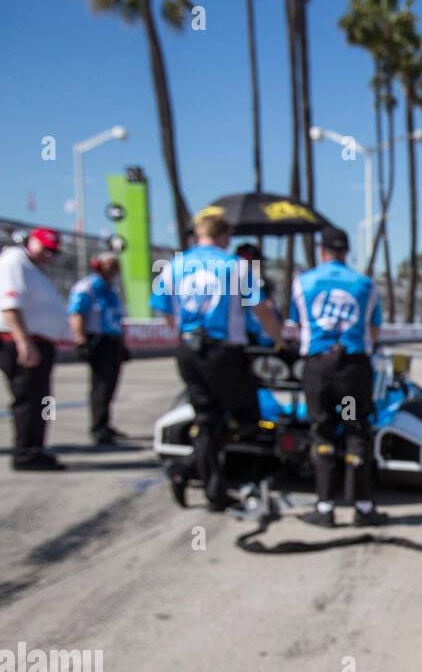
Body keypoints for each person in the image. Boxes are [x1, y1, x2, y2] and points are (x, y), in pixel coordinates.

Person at [152, 214, 283, 511]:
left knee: (208, 419)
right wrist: (279, 339)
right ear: (225, 235)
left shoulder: (174, 266)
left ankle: (201, 482)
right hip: (221, 352)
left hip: (188, 350)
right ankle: (192, 469)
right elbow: (261, 310)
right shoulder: (234, 266)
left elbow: (163, 308)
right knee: (249, 416)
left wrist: (183, 333)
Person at [289, 227, 384, 528]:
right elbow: (373, 330)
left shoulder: (303, 283)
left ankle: (325, 507)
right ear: (346, 252)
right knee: (355, 430)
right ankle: (364, 508)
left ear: (322, 250)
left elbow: (294, 326)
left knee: (323, 431)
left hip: (319, 369)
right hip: (352, 371)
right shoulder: (365, 285)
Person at [0, 227, 69, 470]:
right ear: (30, 242)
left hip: (39, 343)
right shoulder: (14, 261)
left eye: (54, 252)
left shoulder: (34, 269)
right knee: (30, 399)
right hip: (21, 341)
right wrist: (23, 341)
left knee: (43, 400)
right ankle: (27, 454)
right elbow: (9, 306)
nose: (49, 256)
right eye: (45, 249)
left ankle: (36, 447)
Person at [68, 252, 128, 446]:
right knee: (100, 386)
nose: (114, 269)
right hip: (98, 341)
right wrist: (81, 341)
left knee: (110, 385)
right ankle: (98, 428)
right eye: (110, 265)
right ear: (99, 265)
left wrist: (123, 344)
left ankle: (105, 424)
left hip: (113, 341)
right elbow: (76, 314)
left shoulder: (111, 289)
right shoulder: (87, 287)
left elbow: (117, 319)